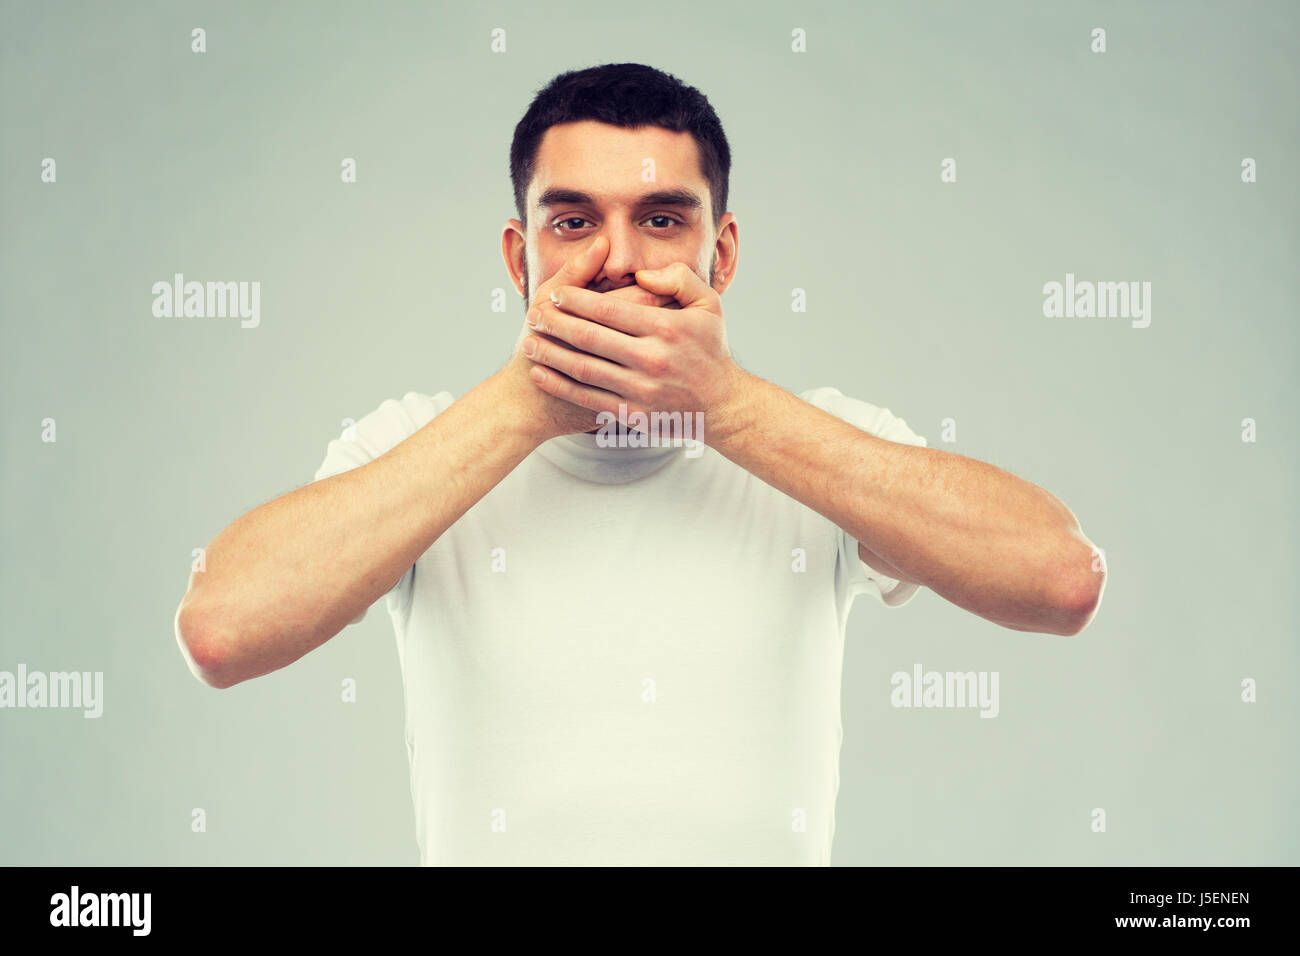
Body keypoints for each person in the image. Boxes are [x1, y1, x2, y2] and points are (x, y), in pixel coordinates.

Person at [173, 63, 1105, 865]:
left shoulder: (813, 440)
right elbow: (221, 631)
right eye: (572, 223)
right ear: (519, 258)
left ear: (722, 252)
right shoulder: (414, 441)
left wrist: (728, 408)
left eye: (661, 219)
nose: (616, 261)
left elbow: (1061, 580)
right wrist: (526, 404)